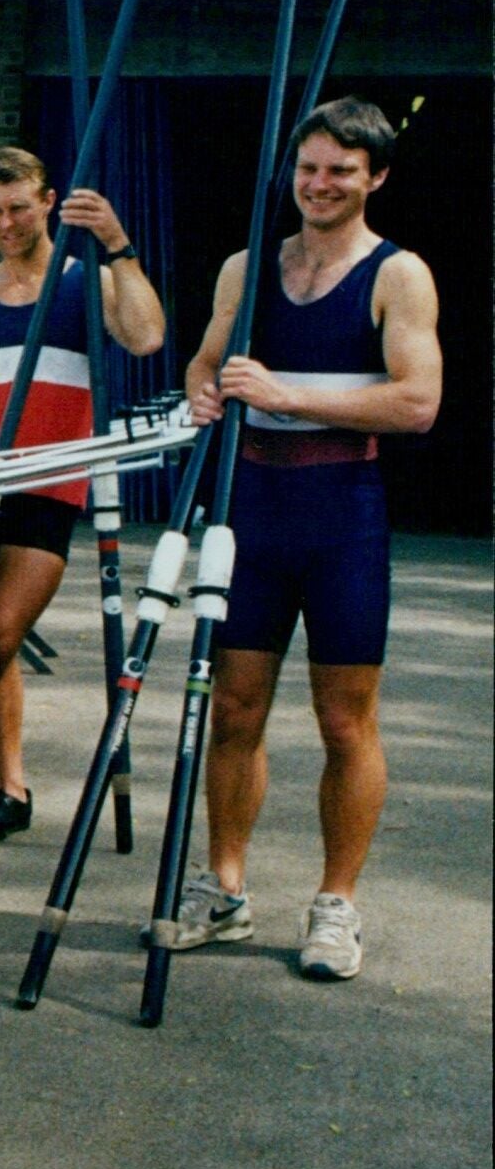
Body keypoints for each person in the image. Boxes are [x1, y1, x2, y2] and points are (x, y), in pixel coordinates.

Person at [166, 100, 440, 982]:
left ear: (376, 179)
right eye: (310, 168)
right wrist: (206, 391)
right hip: (253, 504)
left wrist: (286, 395)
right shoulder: (249, 266)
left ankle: (336, 907)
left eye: (341, 172)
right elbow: (206, 362)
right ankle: (226, 892)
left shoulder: (399, 276)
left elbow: (415, 403)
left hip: (341, 509)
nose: (320, 186)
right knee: (235, 709)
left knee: (343, 720)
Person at [0, 147, 164, 842]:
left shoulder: (85, 283)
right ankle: (10, 789)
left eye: (19, 207)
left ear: (48, 201)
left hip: (51, 483)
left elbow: (146, 337)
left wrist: (118, 243)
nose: (7, 222)